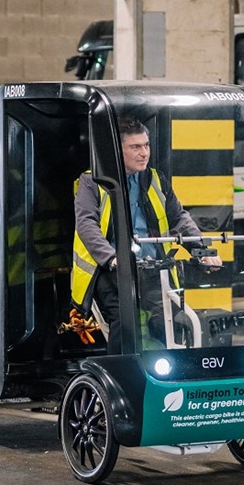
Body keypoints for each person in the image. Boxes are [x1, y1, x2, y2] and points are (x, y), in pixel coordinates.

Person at [71, 117, 222, 354]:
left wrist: (203, 251)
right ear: (116, 150)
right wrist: (112, 258)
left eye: (146, 146)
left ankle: (169, 374)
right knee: (125, 321)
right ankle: (121, 376)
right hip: (110, 271)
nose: (144, 153)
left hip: (151, 268)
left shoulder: (155, 179)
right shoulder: (91, 182)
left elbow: (179, 218)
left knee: (169, 321)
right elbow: (87, 225)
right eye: (135, 147)